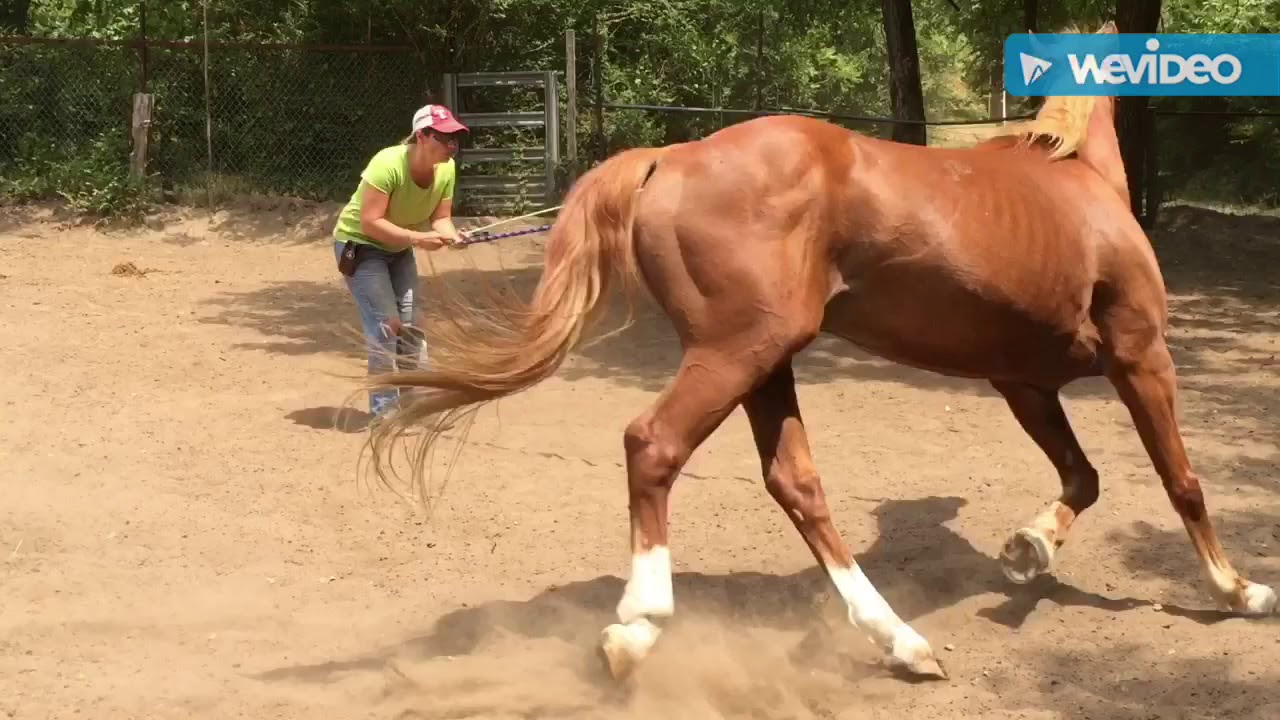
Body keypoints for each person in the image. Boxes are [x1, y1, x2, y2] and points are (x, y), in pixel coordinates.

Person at [331, 103, 470, 425]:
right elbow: (370, 222)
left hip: (398, 248)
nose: (452, 146)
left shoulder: (446, 169)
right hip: (361, 246)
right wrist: (418, 239)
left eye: (455, 138)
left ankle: (416, 406)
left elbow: (442, 218)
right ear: (421, 136)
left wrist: (452, 237)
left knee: (410, 327)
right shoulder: (387, 163)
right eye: (445, 138)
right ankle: (383, 413)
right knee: (386, 326)